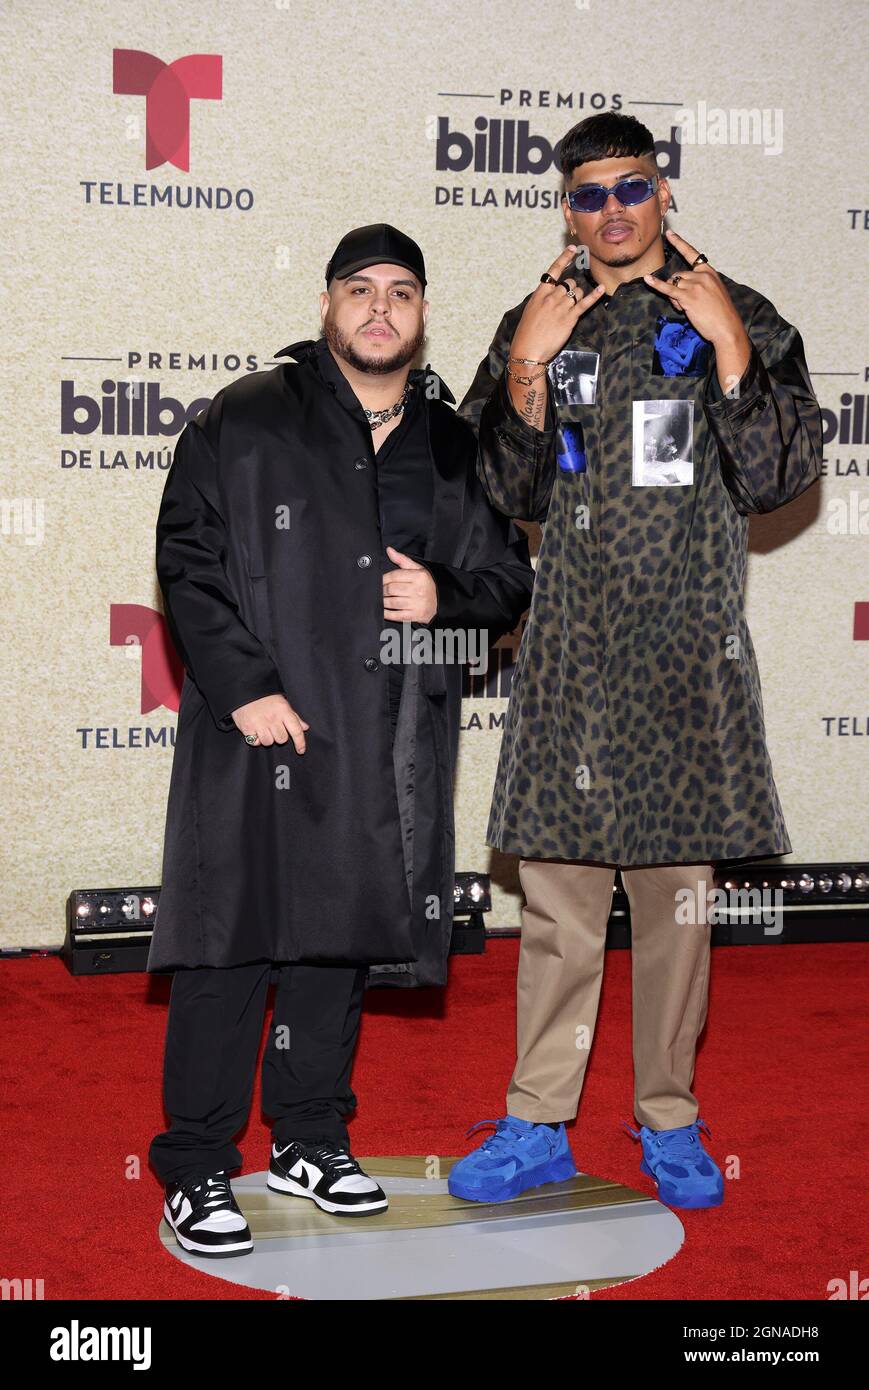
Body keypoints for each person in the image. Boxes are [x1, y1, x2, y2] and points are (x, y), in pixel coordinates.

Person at [451, 112, 822, 1210]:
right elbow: (506, 492)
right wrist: (523, 364)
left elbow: (774, 479)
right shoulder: (544, 315)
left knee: (676, 917)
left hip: (682, 661)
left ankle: (668, 1118)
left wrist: (731, 352)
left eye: (630, 187)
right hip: (567, 660)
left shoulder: (736, 311)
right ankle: (536, 1122)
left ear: (663, 194)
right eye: (586, 194)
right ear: (564, 207)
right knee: (559, 919)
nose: (610, 210)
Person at [147, 223, 534, 1256]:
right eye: (358, 290)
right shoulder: (248, 417)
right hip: (259, 725)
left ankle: (309, 1140)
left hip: (385, 737)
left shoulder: (453, 446)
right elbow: (188, 558)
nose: (378, 309)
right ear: (325, 305)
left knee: (337, 941)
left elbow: (503, 590)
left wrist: (440, 594)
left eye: (400, 292)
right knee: (228, 941)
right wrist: (245, 688)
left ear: (420, 313)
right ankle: (193, 1161)